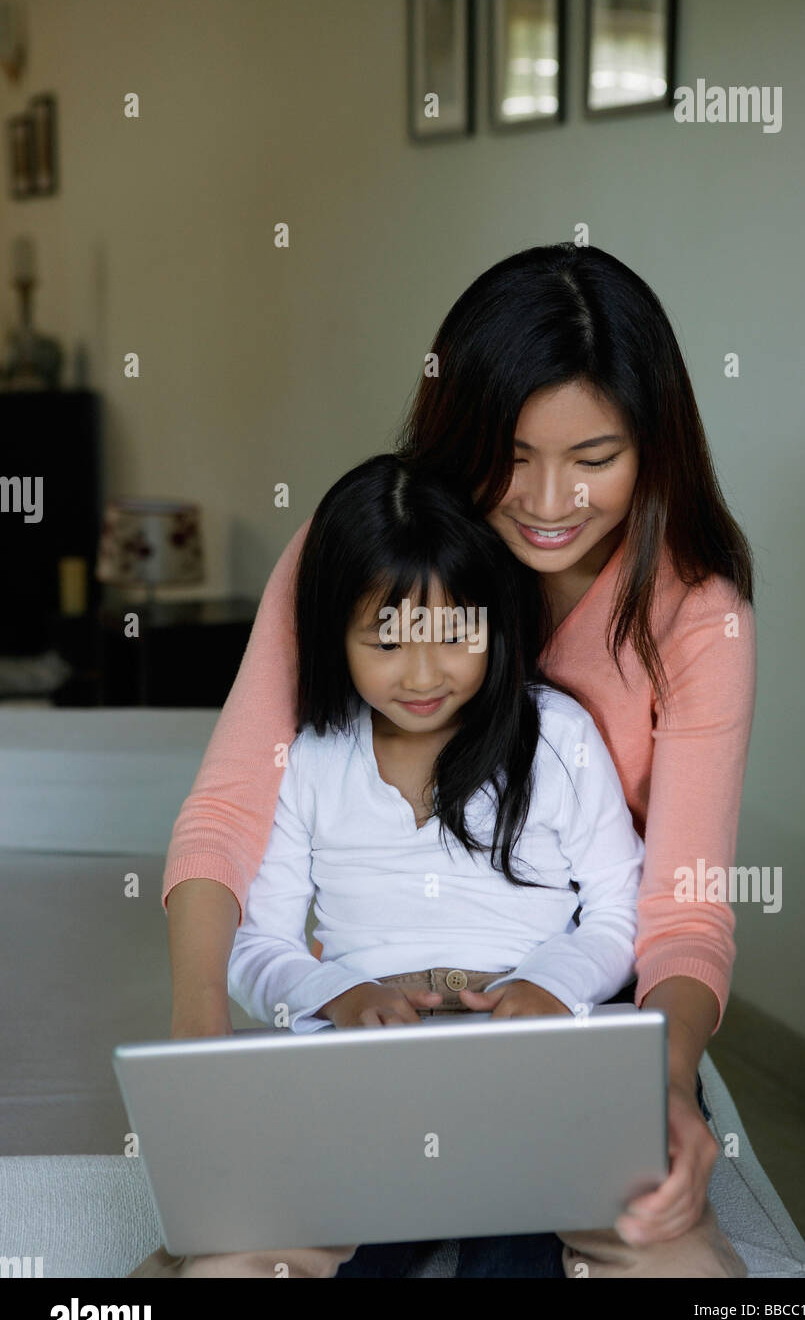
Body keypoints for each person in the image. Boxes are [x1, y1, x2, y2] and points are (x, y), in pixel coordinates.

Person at [144, 243, 755, 1278]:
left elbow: (676, 912)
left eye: (594, 458)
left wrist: (658, 1072)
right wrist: (202, 1057)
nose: (549, 500)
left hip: (573, 1027)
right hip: (367, 1032)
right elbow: (229, 818)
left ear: (652, 449)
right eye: (512, 455)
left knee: (676, 1263)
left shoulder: (697, 619)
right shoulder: (357, 561)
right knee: (222, 1254)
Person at [133, 453, 645, 1277]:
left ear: (495, 622)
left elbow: (624, 909)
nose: (422, 674)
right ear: (334, 634)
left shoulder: (559, 740)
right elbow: (257, 943)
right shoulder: (310, 760)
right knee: (259, 1241)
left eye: (455, 636)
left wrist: (552, 984)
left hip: (522, 1063)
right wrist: (338, 992)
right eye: (387, 640)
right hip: (362, 1080)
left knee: (529, 1232)